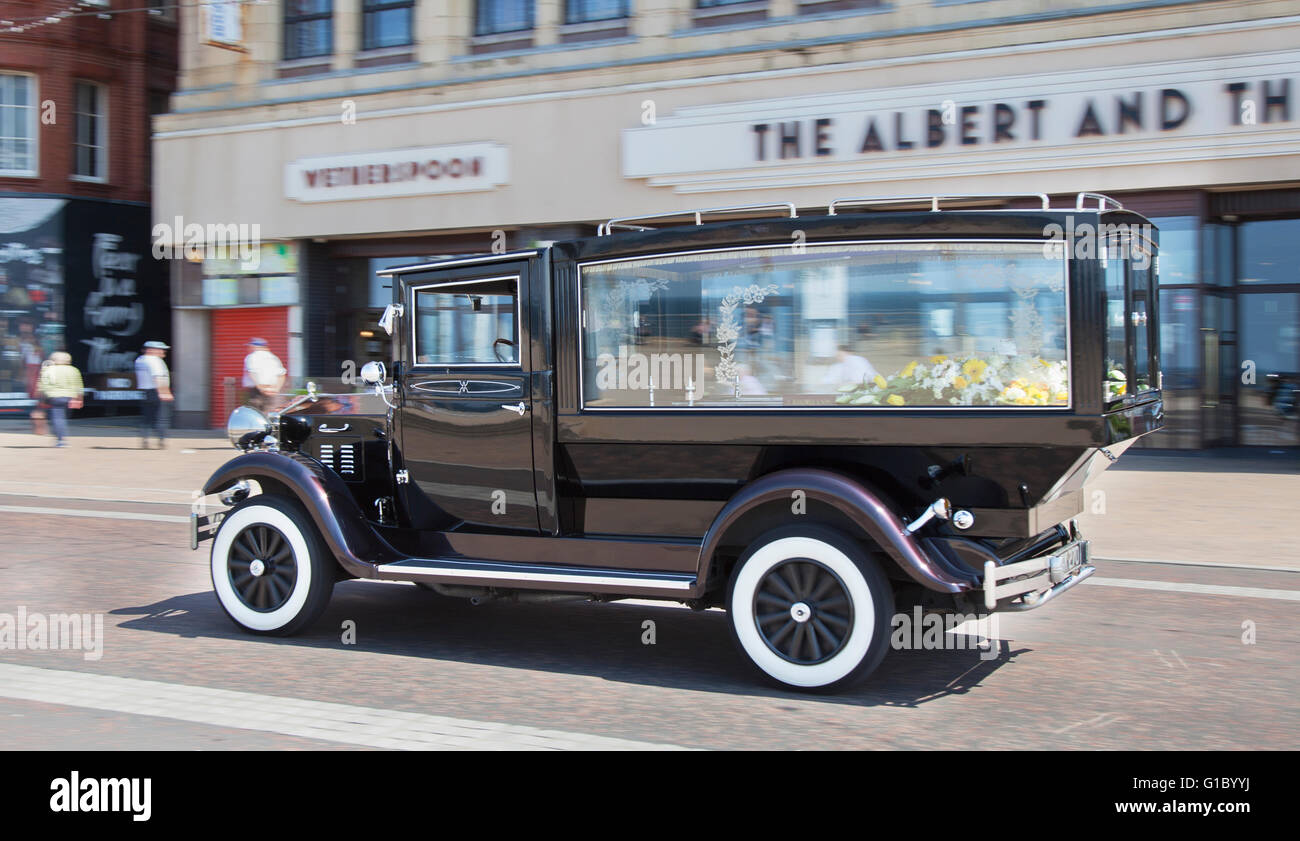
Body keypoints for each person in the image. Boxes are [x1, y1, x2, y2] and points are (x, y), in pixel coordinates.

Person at [36, 351, 84, 447]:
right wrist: (80, 398)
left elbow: (42, 386)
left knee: (57, 418)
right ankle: (61, 435)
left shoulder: (48, 370)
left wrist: (41, 398)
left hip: (54, 397)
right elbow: (79, 386)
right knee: (62, 417)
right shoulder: (74, 370)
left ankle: (60, 440)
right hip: (69, 397)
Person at [135, 340, 173, 448]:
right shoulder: (154, 360)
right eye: (160, 349)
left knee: (146, 417)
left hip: (145, 392)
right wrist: (164, 392)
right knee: (162, 417)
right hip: (156, 391)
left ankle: (144, 439)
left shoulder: (140, 360)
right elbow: (157, 376)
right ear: (151, 350)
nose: (163, 351)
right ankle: (162, 440)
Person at [243, 338, 286, 413]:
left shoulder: (252, 357)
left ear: (254, 347)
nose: (249, 348)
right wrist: (276, 389)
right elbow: (282, 375)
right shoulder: (273, 357)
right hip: (272, 390)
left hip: (257, 392)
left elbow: (253, 373)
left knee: (256, 414)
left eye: (250, 346)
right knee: (270, 413)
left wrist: (261, 389)